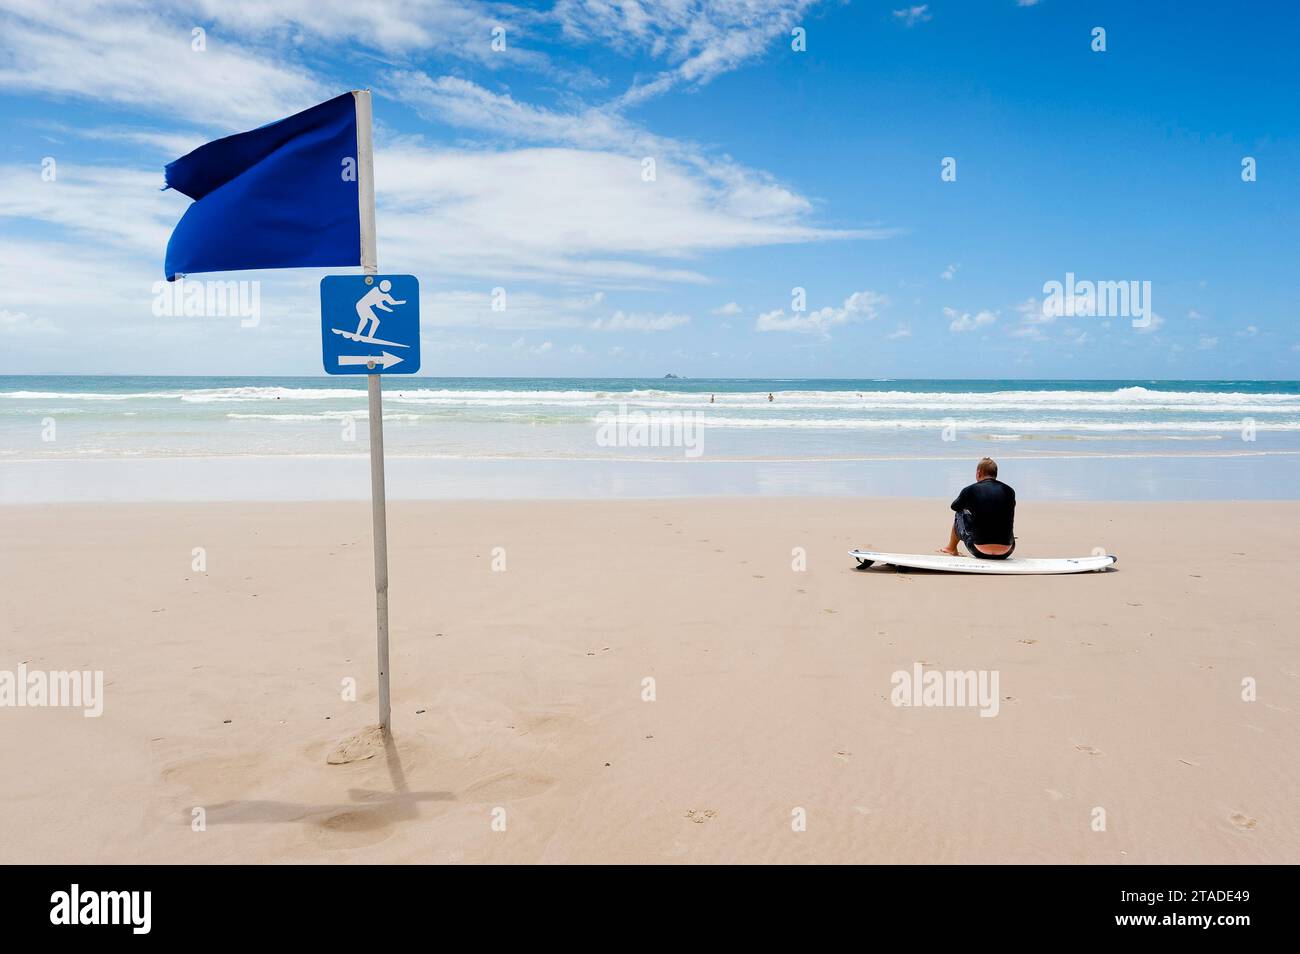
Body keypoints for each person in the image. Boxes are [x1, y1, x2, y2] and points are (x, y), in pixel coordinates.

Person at [941, 457, 1015, 559]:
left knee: (960, 512)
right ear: (995, 474)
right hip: (1007, 551)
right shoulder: (1010, 491)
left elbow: (954, 506)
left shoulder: (970, 490)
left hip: (979, 550)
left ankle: (951, 548)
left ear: (978, 473)